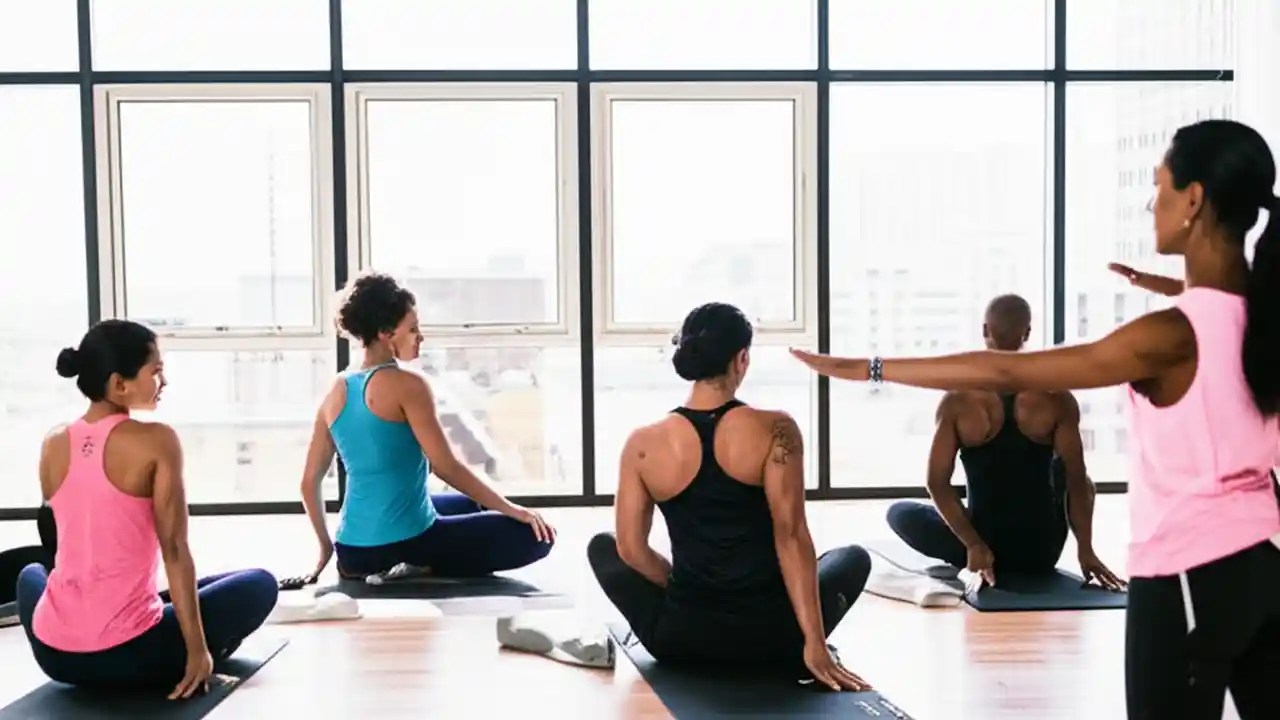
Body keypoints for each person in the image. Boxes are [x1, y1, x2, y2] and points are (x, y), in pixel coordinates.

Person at [790, 119, 1280, 719]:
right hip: (1263, 563)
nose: (1153, 203)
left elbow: (1002, 372)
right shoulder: (1262, 316)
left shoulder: (1168, 336)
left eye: (1160, 186)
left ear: (1195, 200)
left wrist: (865, 367)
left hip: (1189, 571)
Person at [589, 302, 872, 693]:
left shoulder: (642, 444)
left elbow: (632, 551)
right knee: (851, 558)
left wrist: (678, 586)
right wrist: (815, 643)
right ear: (742, 358)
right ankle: (800, 640)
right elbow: (791, 537)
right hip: (772, 638)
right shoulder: (775, 429)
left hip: (681, 640)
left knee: (605, 546)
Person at [16, 320, 278, 697]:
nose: (164, 382)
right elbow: (174, 550)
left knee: (31, 573)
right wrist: (198, 651)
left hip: (54, 654)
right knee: (258, 584)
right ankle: (190, 648)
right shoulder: (157, 441)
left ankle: (137, 612)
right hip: (128, 655)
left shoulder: (52, 441)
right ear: (120, 384)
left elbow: (57, 539)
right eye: (155, 371)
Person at [291, 271, 555, 586]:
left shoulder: (336, 389)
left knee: (474, 503)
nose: (421, 337)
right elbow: (446, 467)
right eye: (413, 329)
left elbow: (309, 482)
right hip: (406, 542)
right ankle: (420, 563)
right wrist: (515, 510)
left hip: (352, 553)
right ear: (387, 332)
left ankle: (395, 562)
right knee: (537, 535)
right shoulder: (409, 385)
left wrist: (326, 549)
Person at [886, 294, 1123, 590]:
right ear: (1027, 334)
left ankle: (973, 546)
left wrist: (973, 544)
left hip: (987, 550)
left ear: (985, 330)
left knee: (900, 513)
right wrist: (1085, 550)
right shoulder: (1056, 399)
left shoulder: (958, 401)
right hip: (1042, 553)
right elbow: (1078, 483)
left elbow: (936, 482)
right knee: (1076, 473)